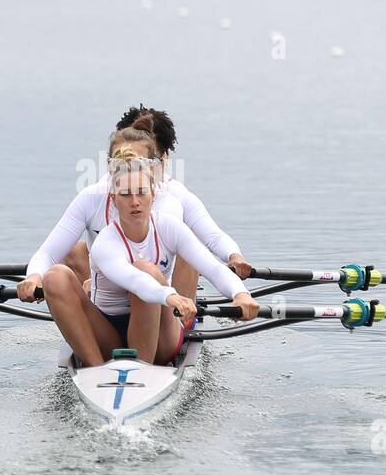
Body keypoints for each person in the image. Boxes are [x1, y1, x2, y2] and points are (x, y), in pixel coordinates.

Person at [17, 107, 251, 303]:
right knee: (73, 250)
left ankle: (181, 320)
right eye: (123, 161)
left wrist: (234, 257)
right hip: (110, 289)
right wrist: (34, 277)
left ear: (158, 161)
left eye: (138, 161)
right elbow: (48, 252)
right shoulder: (94, 195)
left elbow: (212, 236)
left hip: (160, 295)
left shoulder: (172, 197)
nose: (129, 168)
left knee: (186, 248)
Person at [44, 156, 259, 368]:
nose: (135, 201)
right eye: (126, 195)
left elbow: (211, 267)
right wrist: (171, 296)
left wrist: (240, 294)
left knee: (148, 270)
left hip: (161, 337)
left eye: (141, 193)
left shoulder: (170, 227)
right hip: (108, 332)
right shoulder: (105, 242)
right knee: (54, 277)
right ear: (113, 199)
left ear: (153, 195)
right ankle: (95, 369)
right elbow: (135, 280)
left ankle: (142, 371)